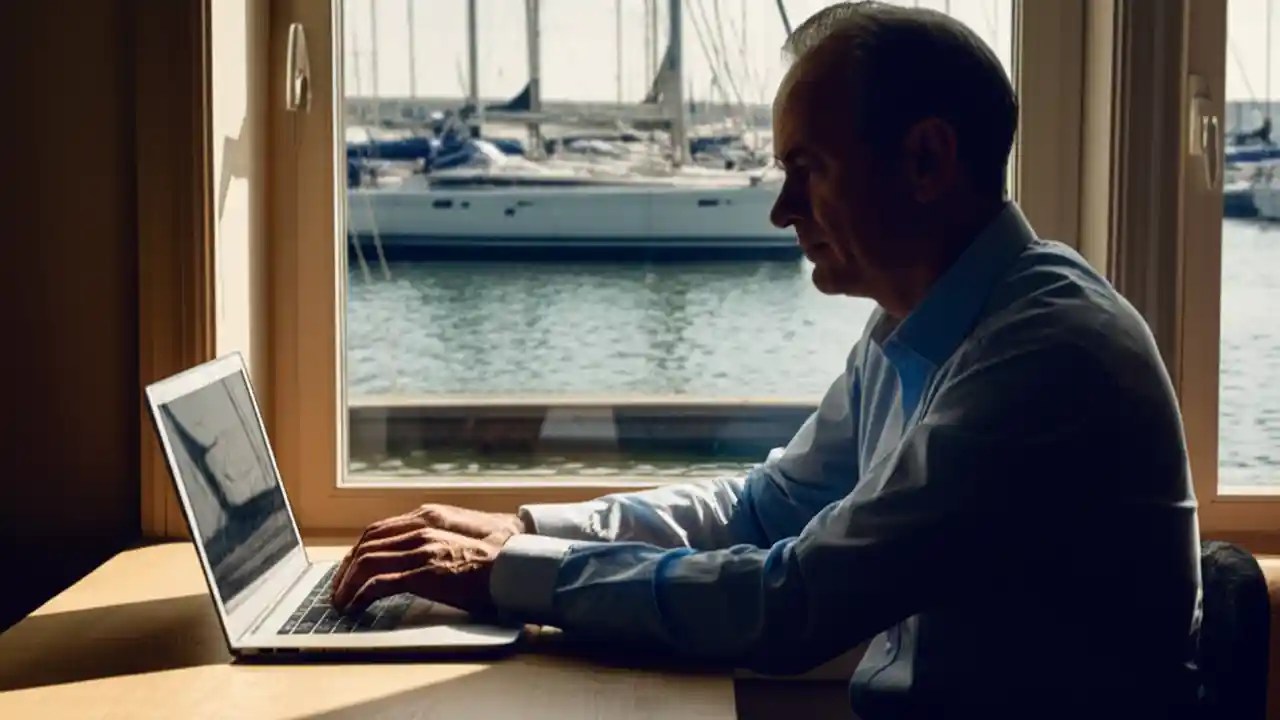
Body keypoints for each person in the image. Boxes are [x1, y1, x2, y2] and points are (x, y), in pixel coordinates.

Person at [331, 3, 1202, 717]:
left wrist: (512, 576)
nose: (782, 211)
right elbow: (768, 505)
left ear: (927, 159)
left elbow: (792, 602)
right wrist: (529, 532)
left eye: (807, 167)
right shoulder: (925, 322)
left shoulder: (1044, 358)